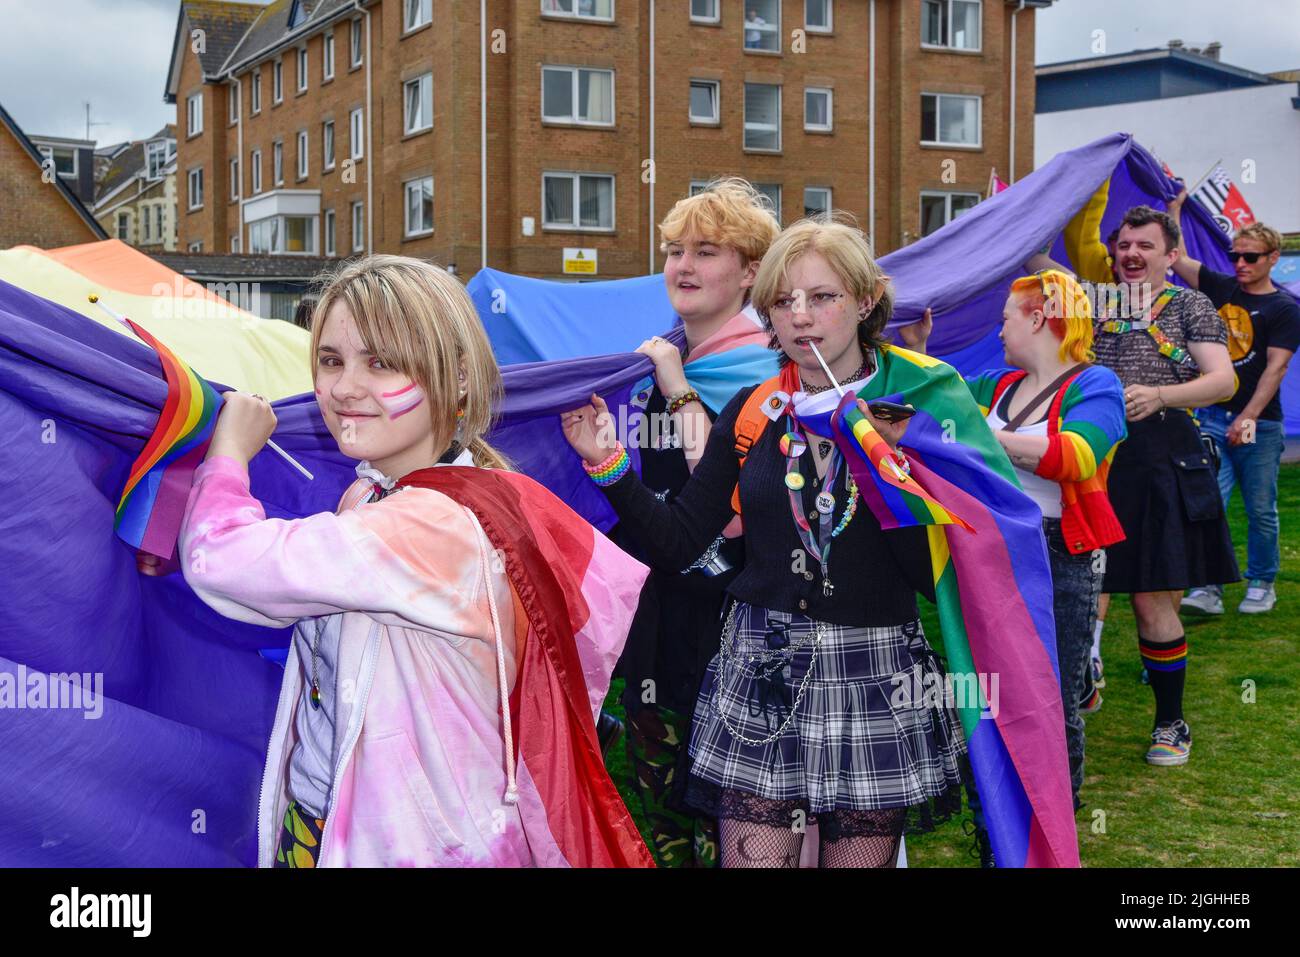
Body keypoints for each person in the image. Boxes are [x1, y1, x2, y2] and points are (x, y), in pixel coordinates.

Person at [149, 255, 653, 867]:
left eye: (382, 362)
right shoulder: (384, 493)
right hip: (334, 818)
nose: (344, 388)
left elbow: (225, 562)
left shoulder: (430, 523)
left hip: (410, 844)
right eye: (331, 360)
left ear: (459, 379)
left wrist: (228, 453)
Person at [563, 218, 966, 868]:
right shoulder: (756, 410)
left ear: (865, 302)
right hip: (762, 669)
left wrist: (894, 469)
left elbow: (940, 574)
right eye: (783, 301)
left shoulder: (914, 407)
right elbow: (680, 540)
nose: (800, 316)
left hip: (871, 673)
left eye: (822, 296)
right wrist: (607, 464)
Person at [902, 270, 1125, 812]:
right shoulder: (997, 387)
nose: (999, 331)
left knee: (1055, 698)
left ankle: (1055, 821)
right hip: (994, 551)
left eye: (1006, 318)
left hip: (1063, 554)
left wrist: (978, 439)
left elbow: (1075, 457)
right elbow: (933, 403)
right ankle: (998, 814)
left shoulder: (1096, 385)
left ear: (1038, 317)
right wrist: (919, 350)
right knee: (992, 687)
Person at [615, 178, 780, 868]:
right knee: (657, 793)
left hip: (732, 617)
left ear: (749, 272)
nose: (682, 265)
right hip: (659, 606)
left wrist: (678, 383)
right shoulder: (658, 360)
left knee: (727, 798)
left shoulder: (773, 367)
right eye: (674, 249)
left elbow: (729, 485)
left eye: (706, 251)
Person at [1089, 205, 1239, 766]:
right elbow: (1035, 265)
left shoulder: (1191, 304)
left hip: (1164, 457)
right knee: (1089, 577)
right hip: (1098, 457)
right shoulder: (1093, 302)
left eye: (1145, 246)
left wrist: (1159, 395)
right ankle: (1089, 668)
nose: (1131, 254)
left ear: (1171, 256)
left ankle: (1171, 723)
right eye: (1124, 244)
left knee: (1155, 596)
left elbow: (1223, 381)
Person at [1166, 201, 1300, 616]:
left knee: (1260, 507)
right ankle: (1208, 587)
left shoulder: (1285, 309)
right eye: (1235, 256)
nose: (1240, 263)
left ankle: (1261, 582)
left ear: (1273, 258)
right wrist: (1174, 208)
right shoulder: (1223, 288)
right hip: (1211, 417)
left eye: (1250, 257)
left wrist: (1248, 418)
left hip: (1260, 425)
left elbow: (1275, 369)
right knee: (1209, 503)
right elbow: (1179, 258)